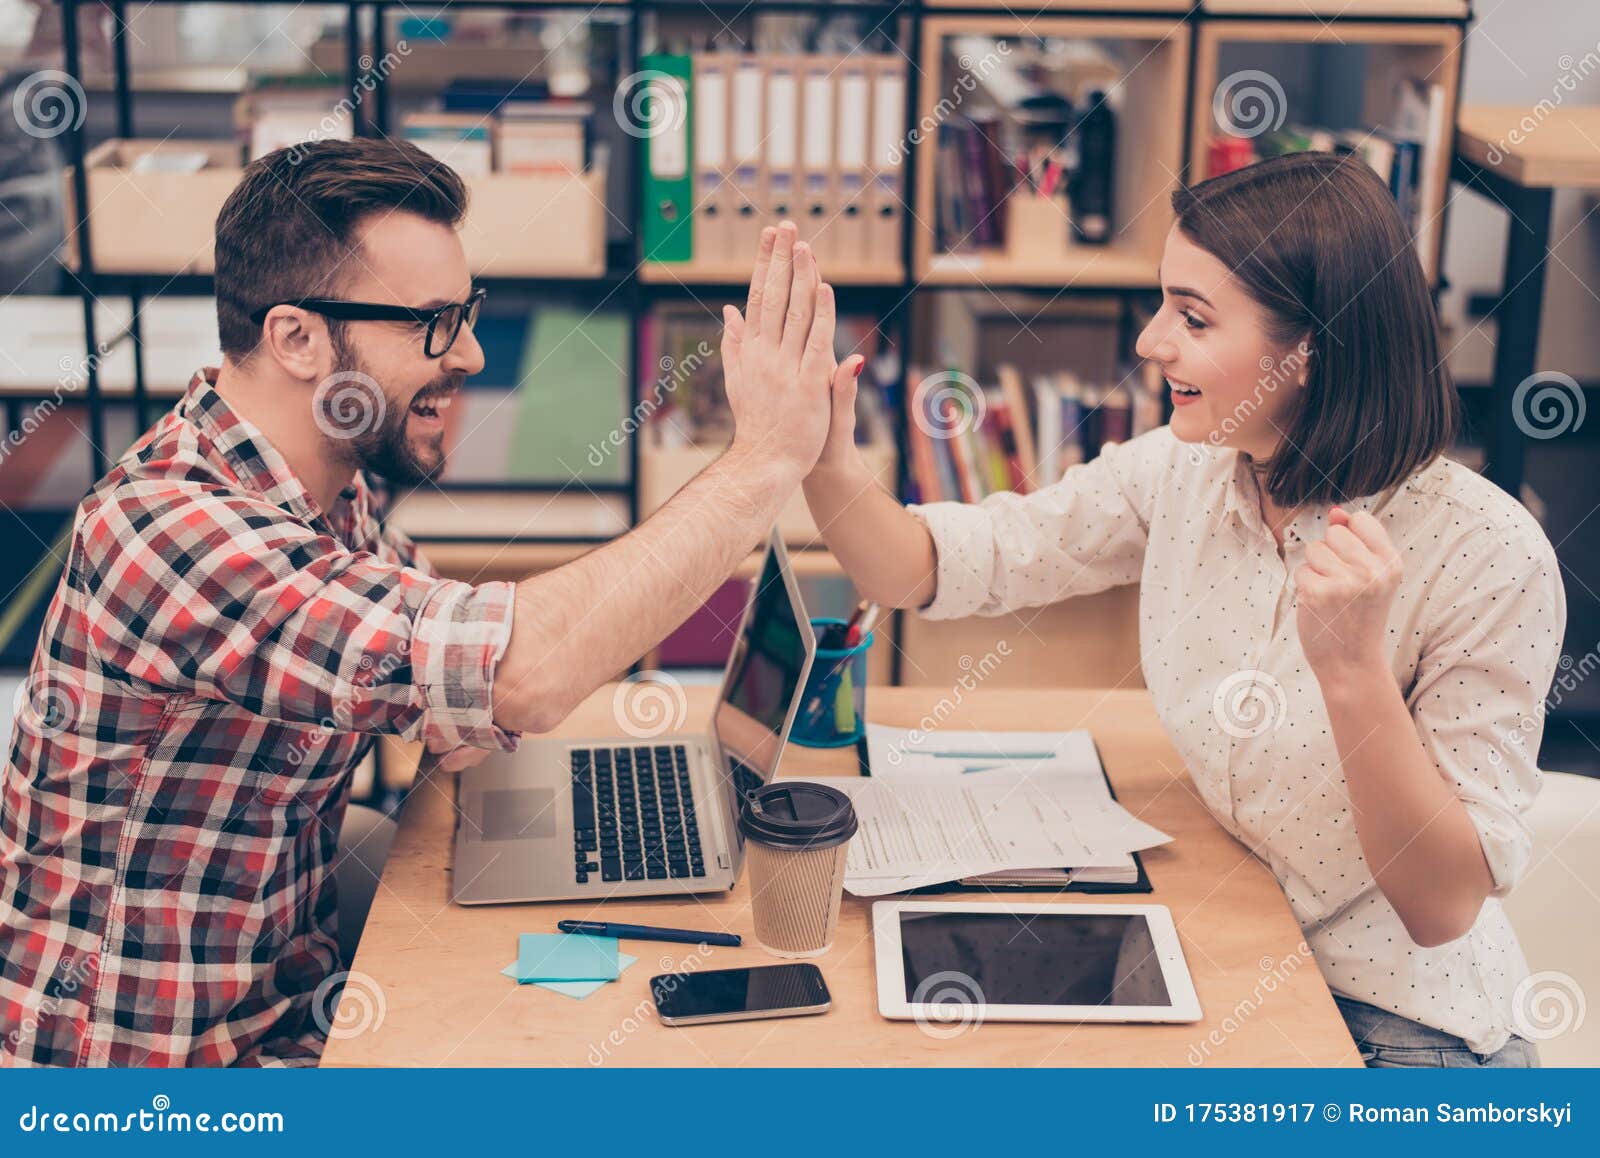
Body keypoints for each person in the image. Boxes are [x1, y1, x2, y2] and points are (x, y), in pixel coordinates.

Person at [0, 137, 854, 1067]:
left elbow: (460, 664)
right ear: (296, 338)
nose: (475, 354)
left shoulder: (329, 490)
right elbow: (517, 672)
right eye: (434, 324)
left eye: (468, 313)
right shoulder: (172, 533)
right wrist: (761, 463)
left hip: (285, 970)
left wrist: (530, 727)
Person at [802, 151, 1564, 1067]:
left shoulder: (1487, 554)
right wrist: (823, 461)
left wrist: (1354, 670)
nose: (1150, 341)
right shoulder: (1188, 468)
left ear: (1312, 348)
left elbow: (1441, 908)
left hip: (1400, 1029)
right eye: (1165, 303)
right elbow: (938, 566)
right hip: (1238, 954)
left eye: (1193, 318)